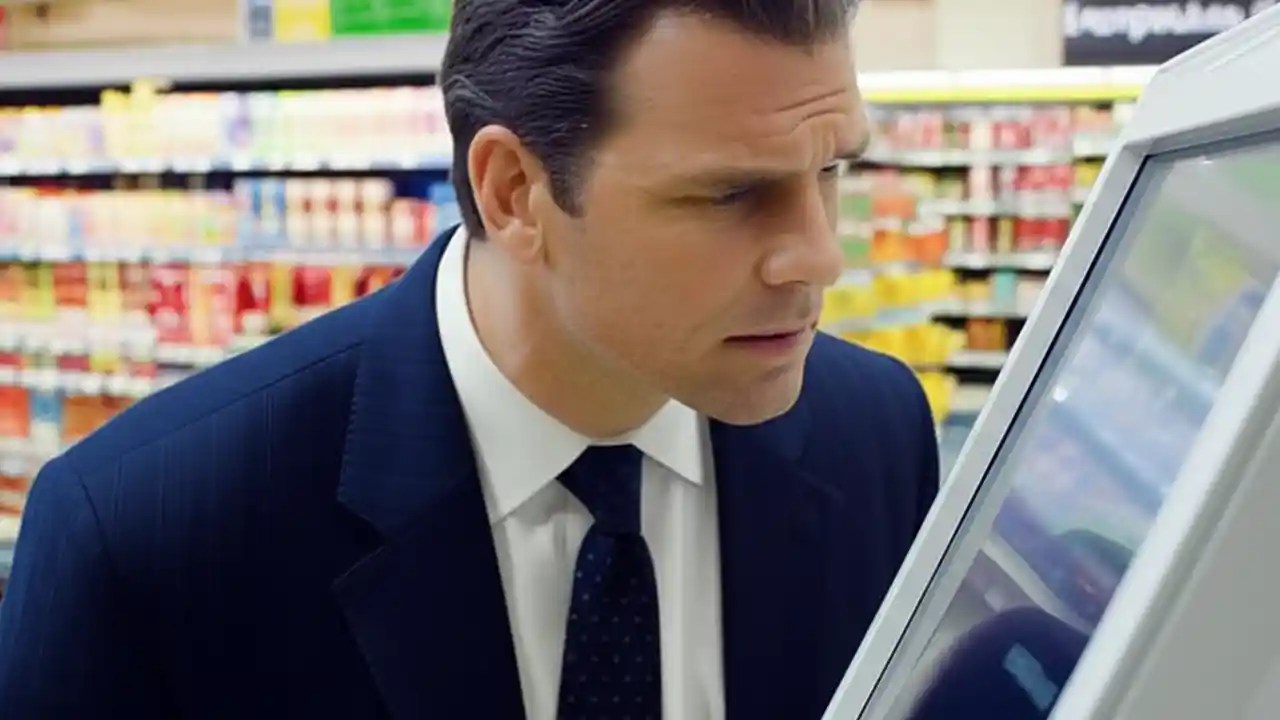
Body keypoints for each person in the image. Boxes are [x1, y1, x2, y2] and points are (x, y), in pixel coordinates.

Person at [0, 1, 939, 717]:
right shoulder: (147, 537)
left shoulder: (879, 435)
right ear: (514, 191)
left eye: (832, 170)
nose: (820, 255)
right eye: (732, 193)